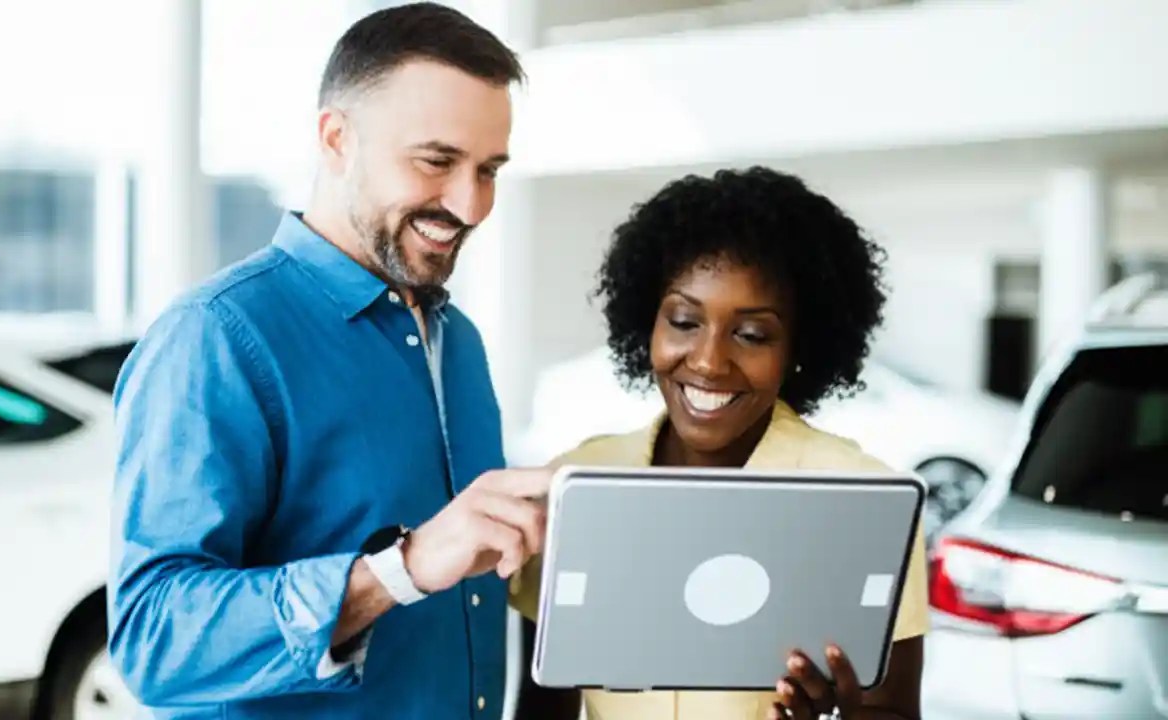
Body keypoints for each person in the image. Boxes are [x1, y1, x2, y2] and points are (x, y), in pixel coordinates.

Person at [108, 4, 551, 719]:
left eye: (489, 170)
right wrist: (398, 571)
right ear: (337, 139)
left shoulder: (457, 341)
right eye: (436, 161)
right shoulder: (213, 337)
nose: (470, 205)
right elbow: (156, 643)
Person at [511, 167, 928, 720]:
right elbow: (543, 709)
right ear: (648, 325)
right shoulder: (576, 484)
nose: (708, 361)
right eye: (684, 321)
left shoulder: (869, 501)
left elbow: (893, 711)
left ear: (797, 348)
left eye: (752, 335)